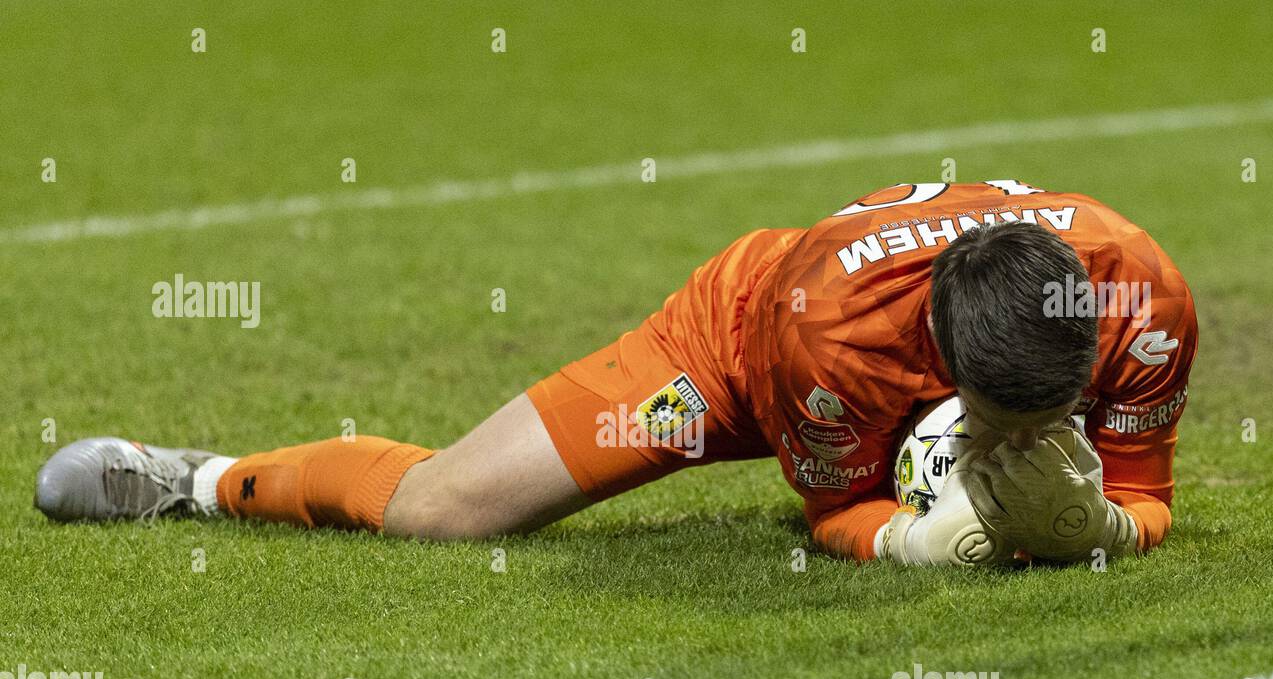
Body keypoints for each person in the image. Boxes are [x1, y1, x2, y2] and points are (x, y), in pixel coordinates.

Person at [34, 180, 1197, 566]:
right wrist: (909, 539)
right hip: (733, 348)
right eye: (1000, 420)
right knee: (445, 510)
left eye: (1051, 414)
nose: (1023, 439)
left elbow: (1145, 490)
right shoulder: (830, 331)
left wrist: (1105, 524)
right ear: (940, 351)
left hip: (868, 364)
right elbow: (838, 505)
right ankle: (195, 478)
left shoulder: (1140, 298)